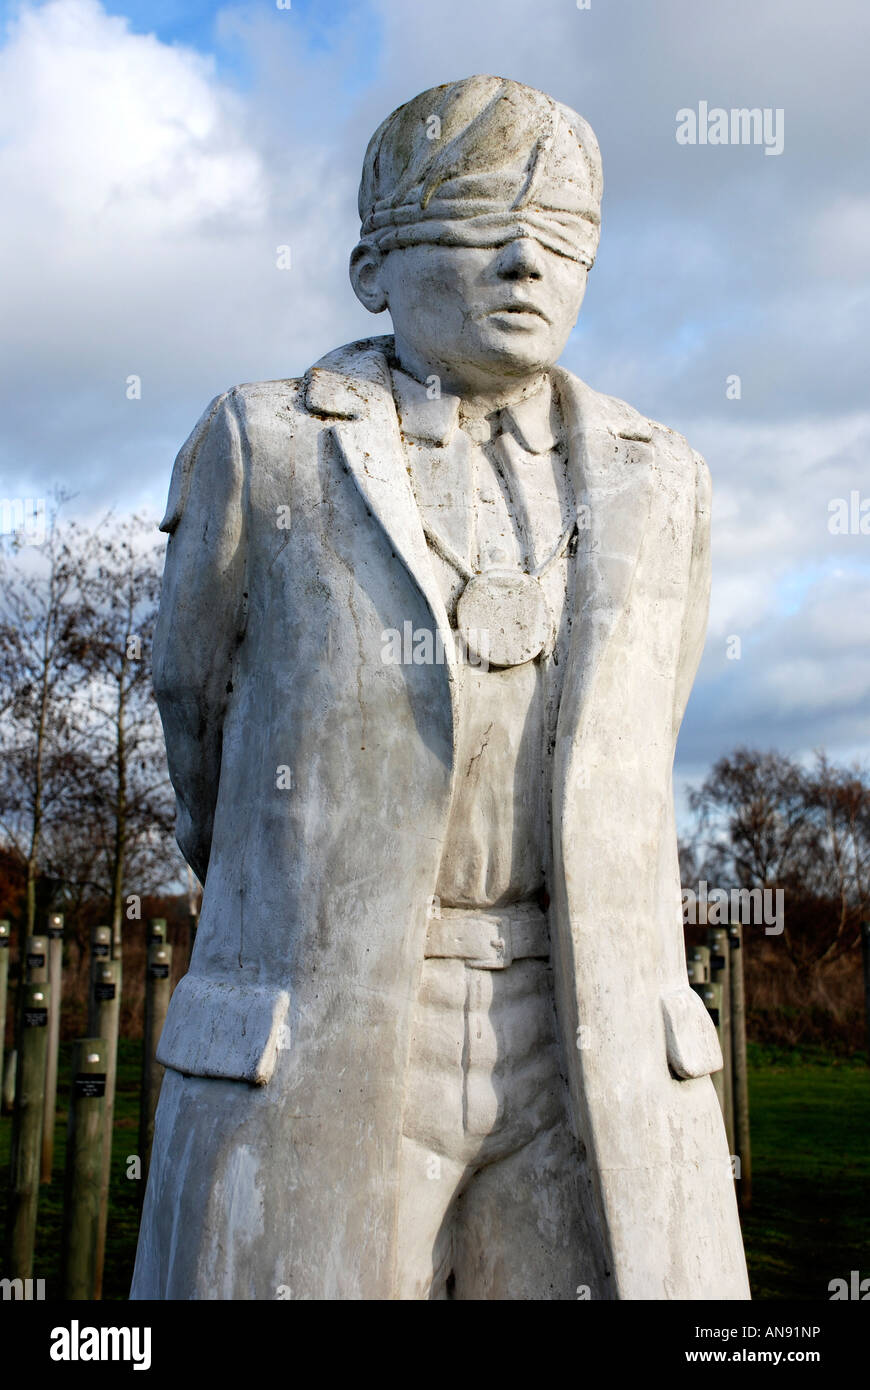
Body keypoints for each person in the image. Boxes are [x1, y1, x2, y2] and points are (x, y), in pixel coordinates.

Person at [131, 75, 749, 1300]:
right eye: (475, 222)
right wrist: (296, 882)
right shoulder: (265, 446)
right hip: (330, 1023)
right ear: (373, 268)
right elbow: (194, 718)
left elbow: (644, 736)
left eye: (563, 232)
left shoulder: (664, 479)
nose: (527, 260)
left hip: (588, 1041)